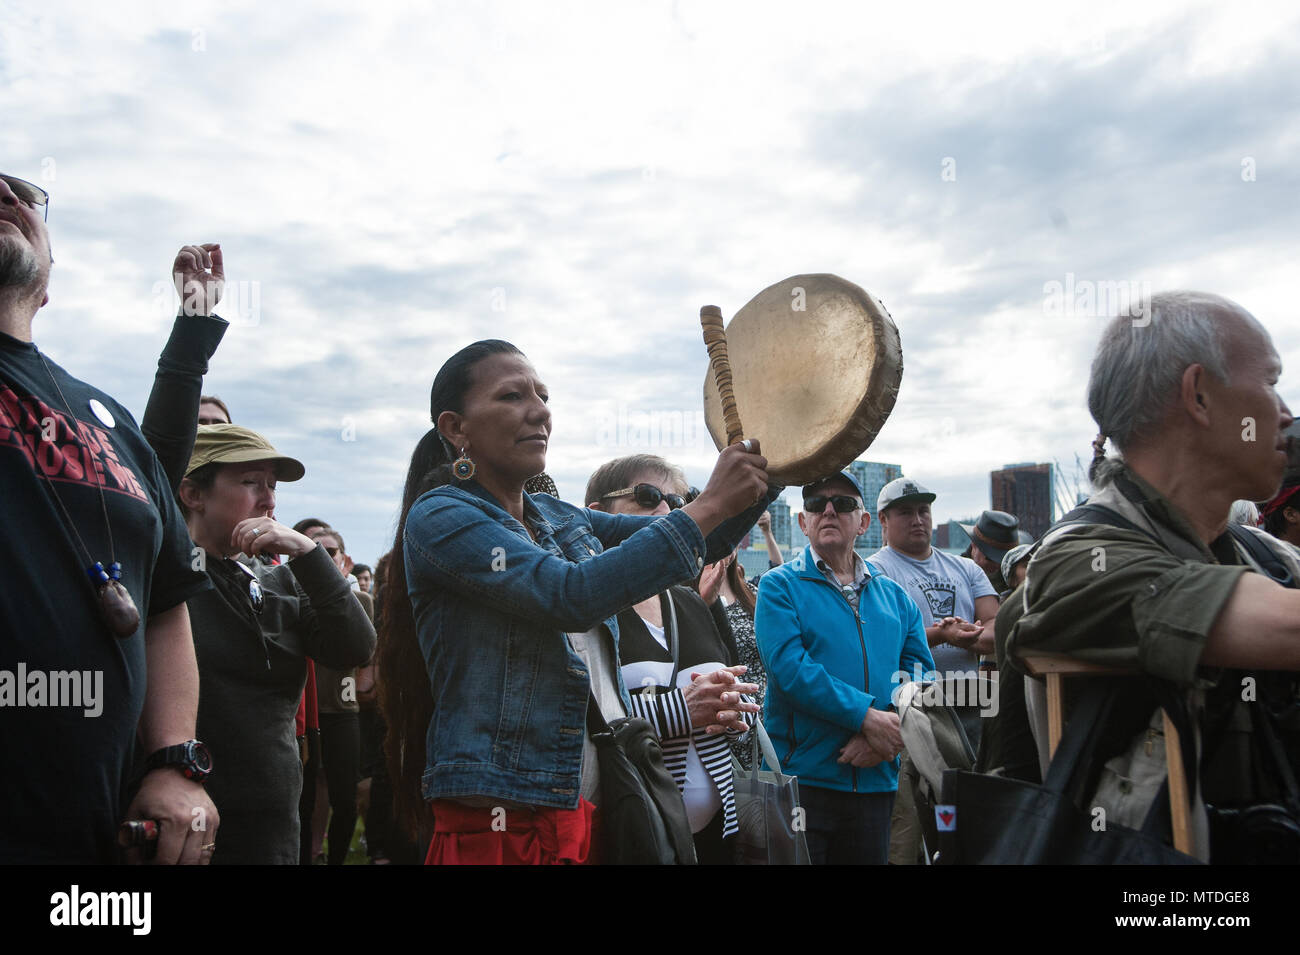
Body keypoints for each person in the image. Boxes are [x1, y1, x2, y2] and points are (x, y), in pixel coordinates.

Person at [378, 339, 776, 865]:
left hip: (587, 804)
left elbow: (702, 542)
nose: (540, 411)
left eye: (542, 395)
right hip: (503, 815)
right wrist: (709, 503)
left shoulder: (559, 517)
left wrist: (780, 460)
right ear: (456, 428)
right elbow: (569, 594)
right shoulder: (441, 517)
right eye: (512, 396)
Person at [997, 290, 1300, 862]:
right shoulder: (1072, 561)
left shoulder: (1269, 559)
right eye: (1271, 381)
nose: (1285, 413)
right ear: (1200, 395)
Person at [0, 173, 217, 863]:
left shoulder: (109, 422)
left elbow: (164, 602)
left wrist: (174, 762)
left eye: (22, 193)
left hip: (102, 846)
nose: (4, 195)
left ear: (49, 277)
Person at [177, 425, 376, 863]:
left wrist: (310, 556)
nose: (268, 500)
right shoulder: (169, 580)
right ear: (193, 493)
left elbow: (355, 648)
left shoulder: (280, 580)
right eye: (251, 482)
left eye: (272, 485)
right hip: (188, 817)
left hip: (275, 821)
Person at [586, 453, 759, 864]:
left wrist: (734, 711)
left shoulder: (689, 600)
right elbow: (582, 719)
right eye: (648, 497)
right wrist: (683, 710)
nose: (667, 511)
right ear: (595, 515)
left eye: (677, 502)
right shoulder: (584, 605)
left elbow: (742, 698)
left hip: (720, 833)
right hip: (635, 835)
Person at [755, 470, 933, 864]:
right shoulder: (778, 586)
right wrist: (866, 718)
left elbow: (922, 672)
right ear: (804, 522)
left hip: (876, 780)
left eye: (845, 504)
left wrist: (887, 727)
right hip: (804, 782)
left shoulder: (895, 597)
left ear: (864, 522)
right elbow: (790, 670)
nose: (829, 510)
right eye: (817, 504)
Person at [960, 510, 1021, 593]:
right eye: (991, 559)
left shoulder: (1016, 578)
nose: (997, 565)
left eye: (1004, 560)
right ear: (974, 545)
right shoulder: (956, 575)